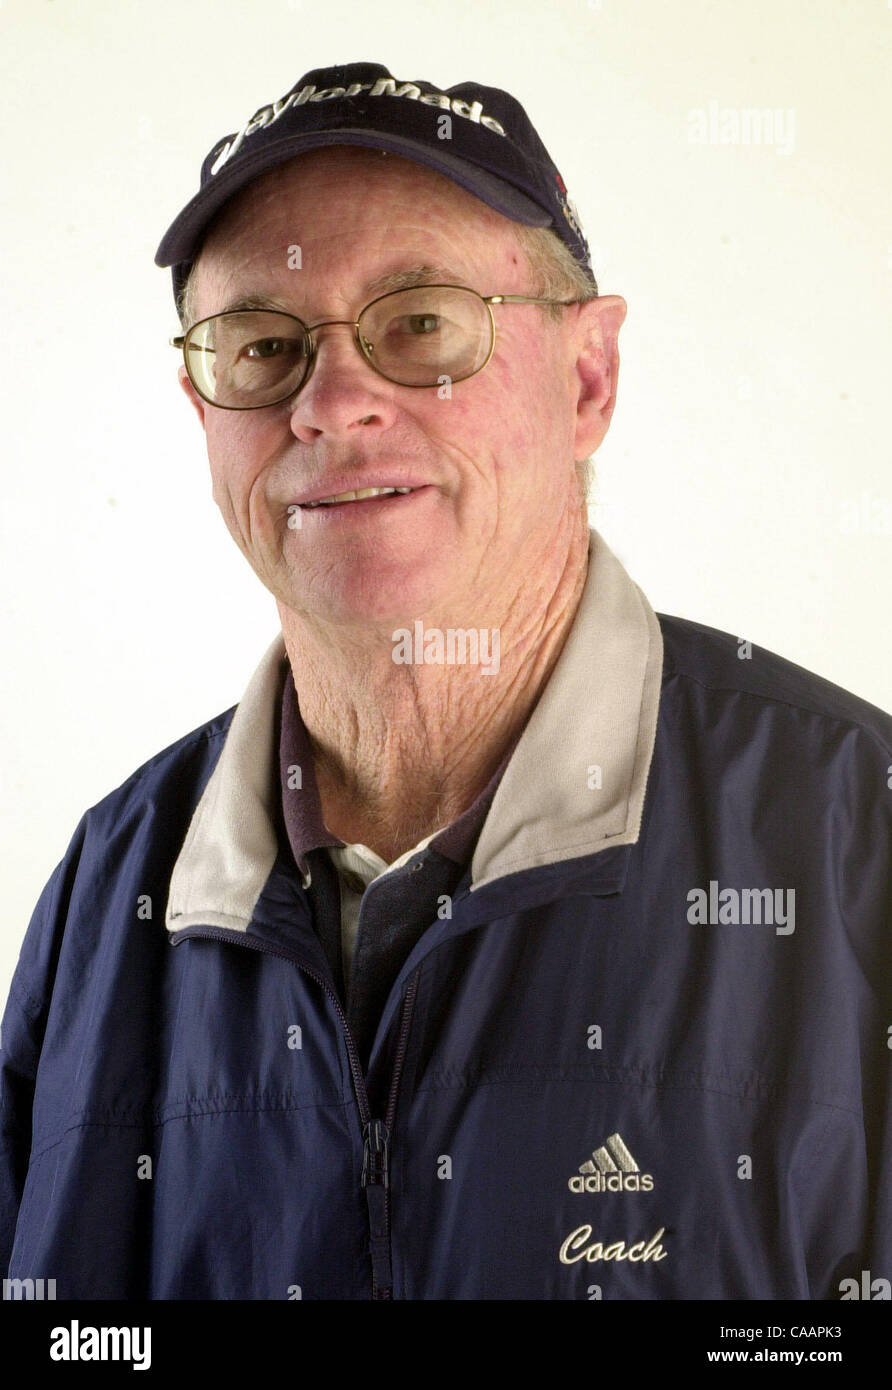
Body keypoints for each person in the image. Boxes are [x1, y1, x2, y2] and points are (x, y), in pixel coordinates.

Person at [1, 60, 889, 1302]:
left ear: (588, 380)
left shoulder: (857, 838)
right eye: (260, 345)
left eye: (420, 323)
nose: (333, 402)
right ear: (202, 410)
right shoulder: (109, 894)